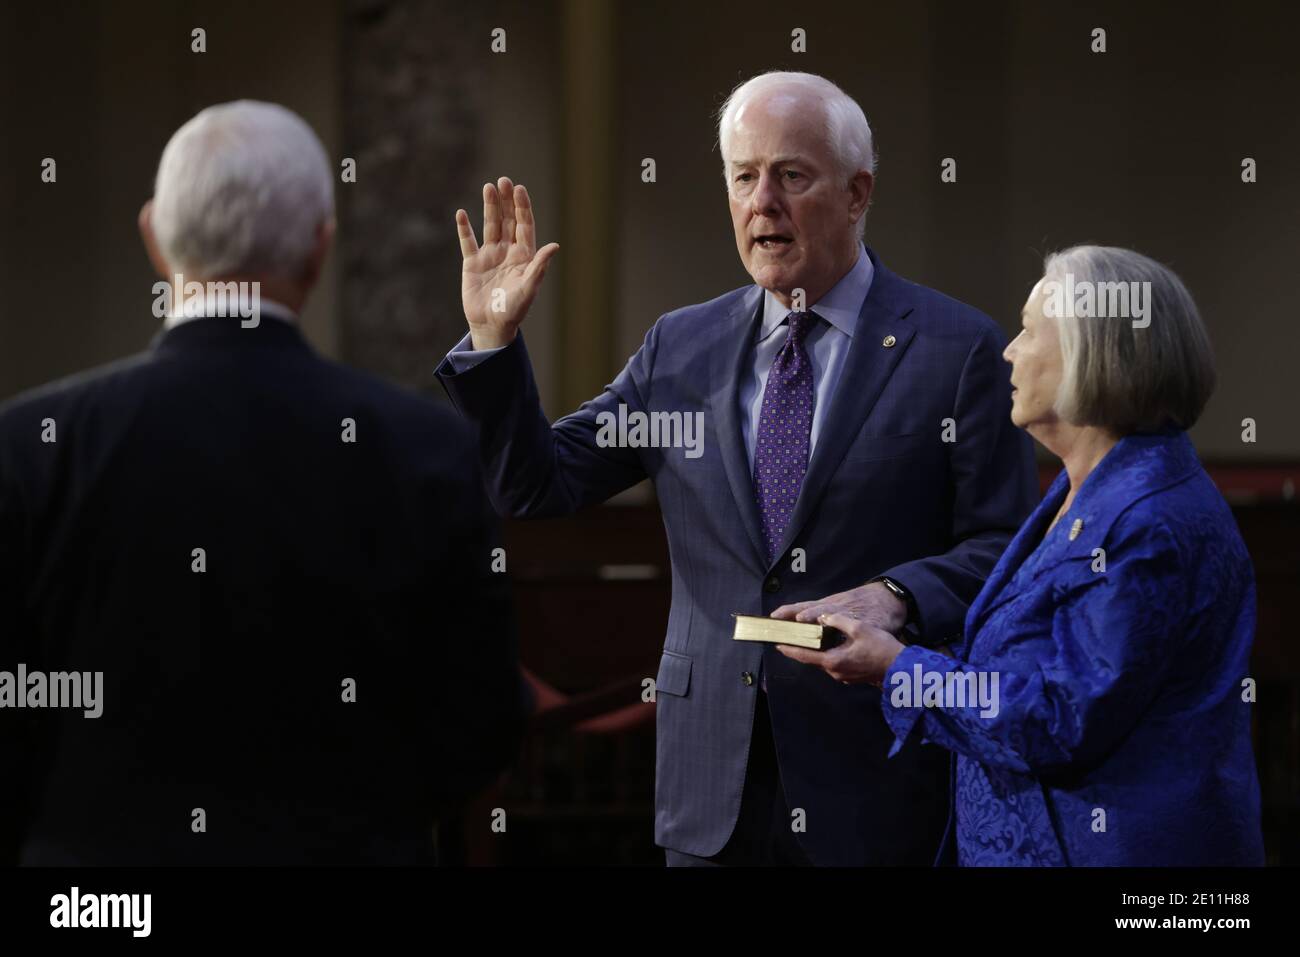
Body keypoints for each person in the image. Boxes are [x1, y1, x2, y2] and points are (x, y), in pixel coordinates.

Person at [436, 71, 1038, 865]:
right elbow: (534, 483)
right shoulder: (680, 348)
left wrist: (897, 595)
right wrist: (493, 346)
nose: (763, 203)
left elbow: (1003, 548)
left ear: (858, 194)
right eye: (744, 177)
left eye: (792, 175)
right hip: (710, 786)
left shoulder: (955, 350)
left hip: (874, 782)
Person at [0, 101, 530, 865]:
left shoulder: (29, 449)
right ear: (320, 250)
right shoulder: (426, 449)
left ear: (154, 236)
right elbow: (480, 727)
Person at [781, 245, 1265, 865]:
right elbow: (1029, 663)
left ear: (1092, 353)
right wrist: (881, 634)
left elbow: (1062, 719)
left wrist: (897, 669)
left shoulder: (1148, 520)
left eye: (1031, 331)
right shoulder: (1085, 485)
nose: (1009, 350)